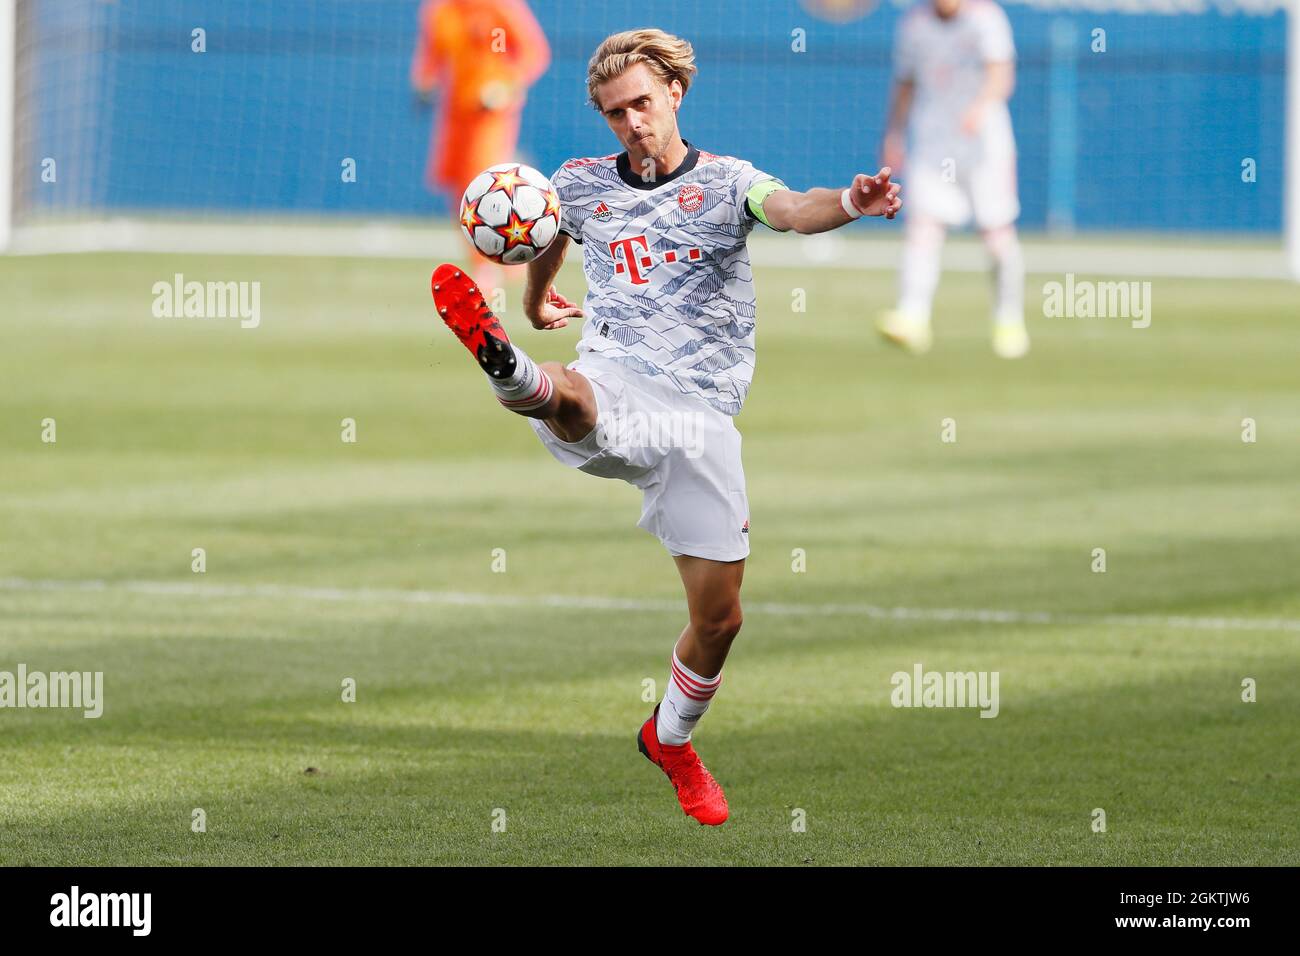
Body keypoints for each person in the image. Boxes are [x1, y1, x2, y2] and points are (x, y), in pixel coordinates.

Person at [429, 29, 901, 825]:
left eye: (642, 104)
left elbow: (789, 210)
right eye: (615, 113)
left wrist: (852, 202)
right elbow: (549, 231)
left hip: (702, 420)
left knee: (719, 619)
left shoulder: (727, 183)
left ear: (675, 93)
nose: (632, 123)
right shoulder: (577, 184)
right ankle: (509, 368)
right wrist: (540, 299)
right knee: (578, 401)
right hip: (613, 375)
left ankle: (670, 739)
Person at [878, 0, 1028, 358]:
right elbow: (905, 83)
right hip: (934, 143)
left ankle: (1009, 319)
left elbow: (1001, 76)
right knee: (923, 229)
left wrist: (979, 107)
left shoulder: (986, 19)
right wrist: (894, 134)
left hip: (984, 145)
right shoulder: (913, 25)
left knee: (996, 236)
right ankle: (913, 316)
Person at [411, 0, 550, 291]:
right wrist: (424, 81)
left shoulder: (500, 7)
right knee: (456, 184)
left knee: (483, 181)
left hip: (491, 110)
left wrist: (505, 85)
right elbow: (432, 53)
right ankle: (486, 255)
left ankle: (494, 261)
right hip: (455, 110)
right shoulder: (440, 11)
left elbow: (533, 52)